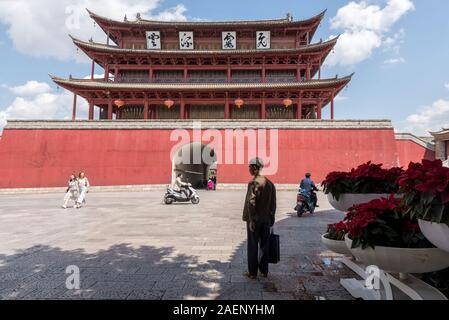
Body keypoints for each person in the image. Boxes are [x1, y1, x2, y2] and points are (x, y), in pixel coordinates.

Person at [242, 157, 276, 279]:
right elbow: (273, 203)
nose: (249, 169)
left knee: (252, 245)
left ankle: (252, 273)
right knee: (264, 245)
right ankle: (264, 271)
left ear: (255, 168)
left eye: (250, 167)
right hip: (266, 219)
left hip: (255, 220)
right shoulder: (270, 184)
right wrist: (271, 218)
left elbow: (251, 202)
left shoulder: (253, 183)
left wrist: (251, 219)